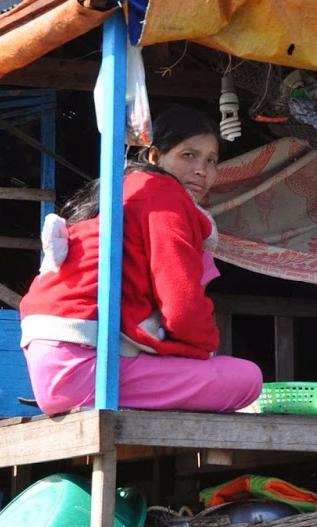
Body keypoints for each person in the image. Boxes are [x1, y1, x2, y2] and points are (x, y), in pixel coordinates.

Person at [18, 106, 263, 413]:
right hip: (86, 370)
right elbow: (182, 308)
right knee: (246, 378)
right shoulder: (161, 191)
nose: (202, 169)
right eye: (189, 155)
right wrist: (204, 351)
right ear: (154, 157)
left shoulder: (124, 190)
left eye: (211, 160)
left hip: (57, 367)